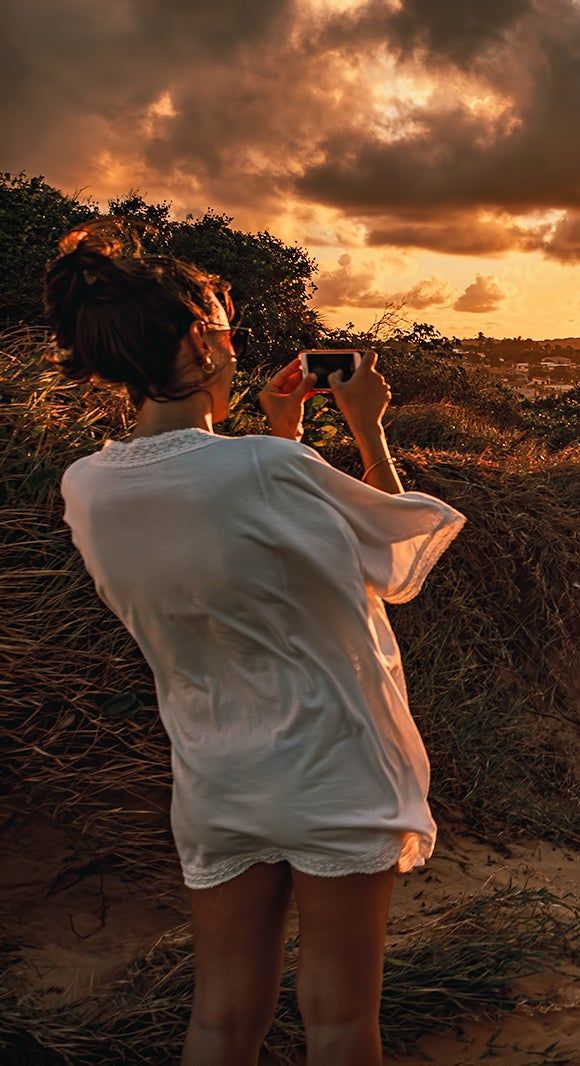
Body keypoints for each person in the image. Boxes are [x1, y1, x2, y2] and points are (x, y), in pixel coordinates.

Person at [47, 220, 464, 1065]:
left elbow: (234, 549)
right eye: (227, 330)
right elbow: (395, 561)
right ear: (202, 340)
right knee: (340, 1019)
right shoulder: (265, 470)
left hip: (215, 772)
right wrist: (365, 424)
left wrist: (282, 437)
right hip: (332, 762)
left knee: (223, 1017)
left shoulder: (87, 489)